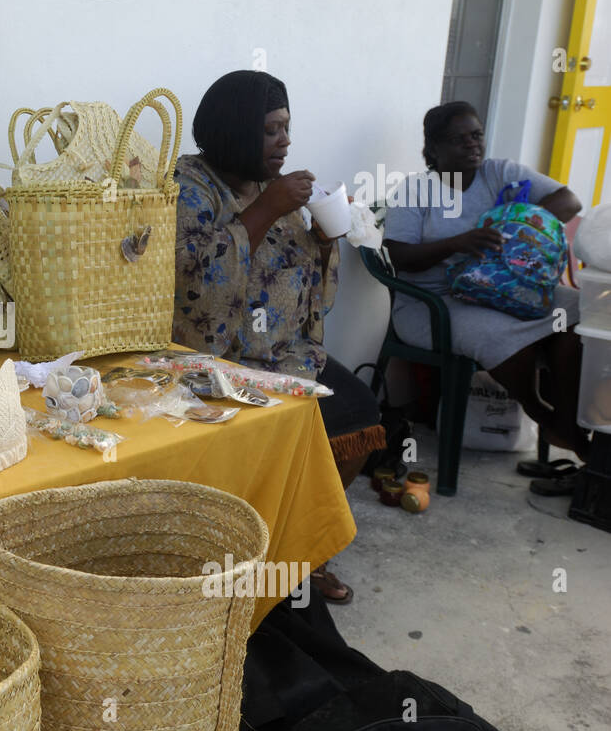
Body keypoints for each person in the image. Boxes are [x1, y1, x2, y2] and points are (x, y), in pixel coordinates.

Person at [172, 70, 384, 605]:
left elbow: (306, 282)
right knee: (284, 432)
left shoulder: (272, 185)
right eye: (270, 131)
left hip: (289, 353)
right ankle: (252, 557)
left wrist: (322, 238)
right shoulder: (187, 186)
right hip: (219, 359)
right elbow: (191, 280)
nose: (284, 142)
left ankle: (300, 554)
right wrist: (268, 211)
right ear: (233, 130)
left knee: (359, 413)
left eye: (286, 128)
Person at [383, 101, 586, 487]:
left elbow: (568, 201)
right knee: (498, 333)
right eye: (459, 141)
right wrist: (461, 242)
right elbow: (401, 257)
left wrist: (515, 221)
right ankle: (542, 413)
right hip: (434, 303)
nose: (472, 145)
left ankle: (566, 418)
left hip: (505, 286)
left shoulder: (500, 173)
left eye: (476, 135)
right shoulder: (415, 190)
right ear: (434, 150)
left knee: (575, 311)